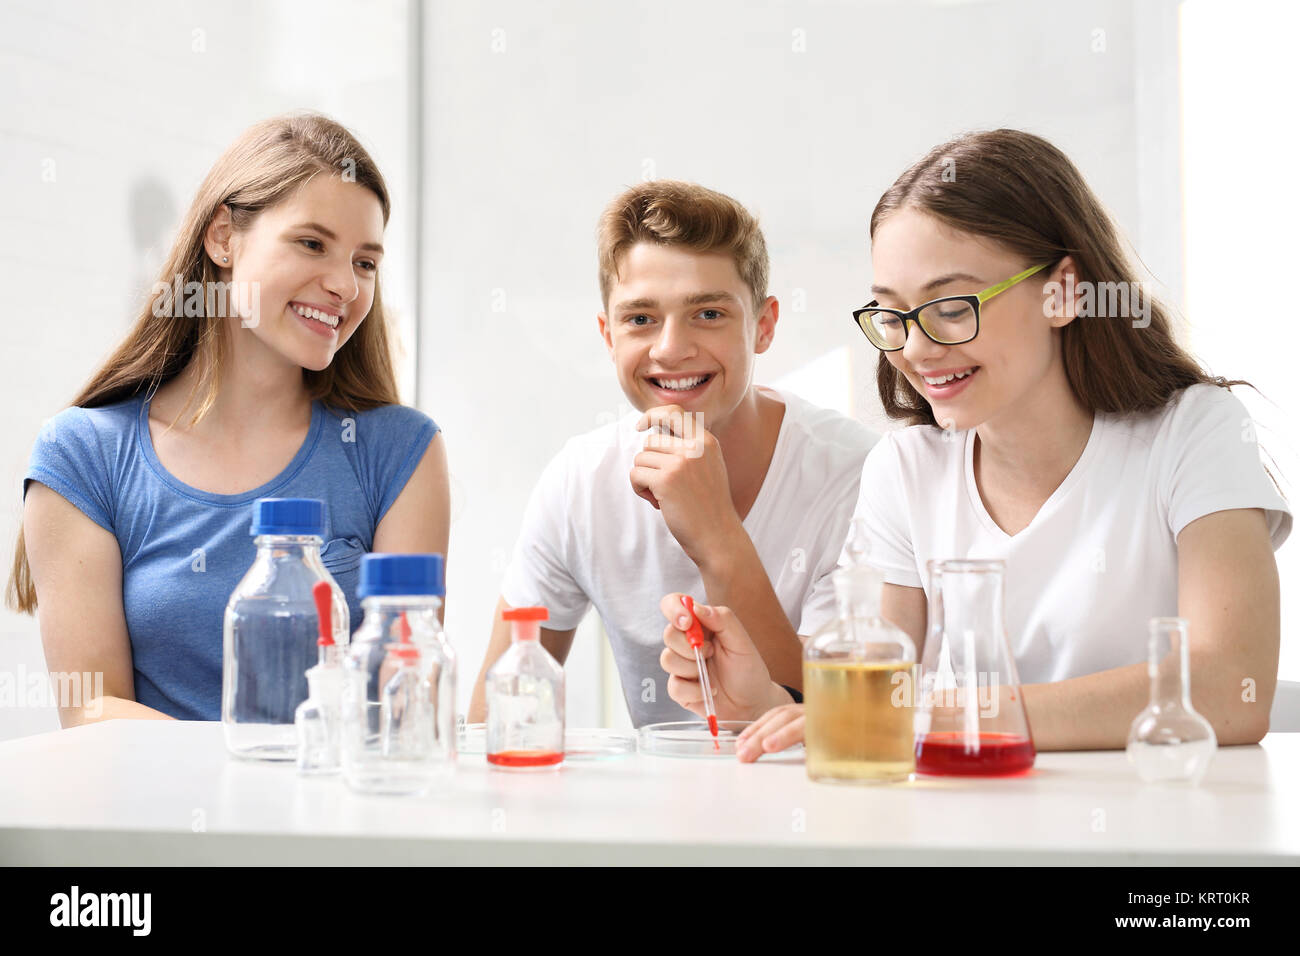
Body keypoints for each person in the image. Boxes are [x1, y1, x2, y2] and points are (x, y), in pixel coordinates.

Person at [655, 129, 1290, 757]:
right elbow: (872, 709)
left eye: (953, 307)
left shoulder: (1194, 433)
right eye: (893, 314)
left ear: (1064, 290)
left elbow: (1230, 690)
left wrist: (939, 715)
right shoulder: (905, 471)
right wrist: (765, 703)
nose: (916, 349)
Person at [6, 114, 449, 726]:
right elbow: (92, 711)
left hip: (336, 819)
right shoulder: (83, 456)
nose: (345, 286)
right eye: (312, 243)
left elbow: (404, 704)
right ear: (223, 239)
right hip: (157, 818)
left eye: (366, 262)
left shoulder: (400, 452)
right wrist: (248, 773)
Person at [467, 180, 877, 726]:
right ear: (608, 336)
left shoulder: (858, 474)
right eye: (640, 319)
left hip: (817, 805)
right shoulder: (579, 481)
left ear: (764, 324)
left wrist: (718, 537)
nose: (670, 348)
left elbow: (844, 722)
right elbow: (493, 719)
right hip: (651, 806)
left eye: (708, 314)